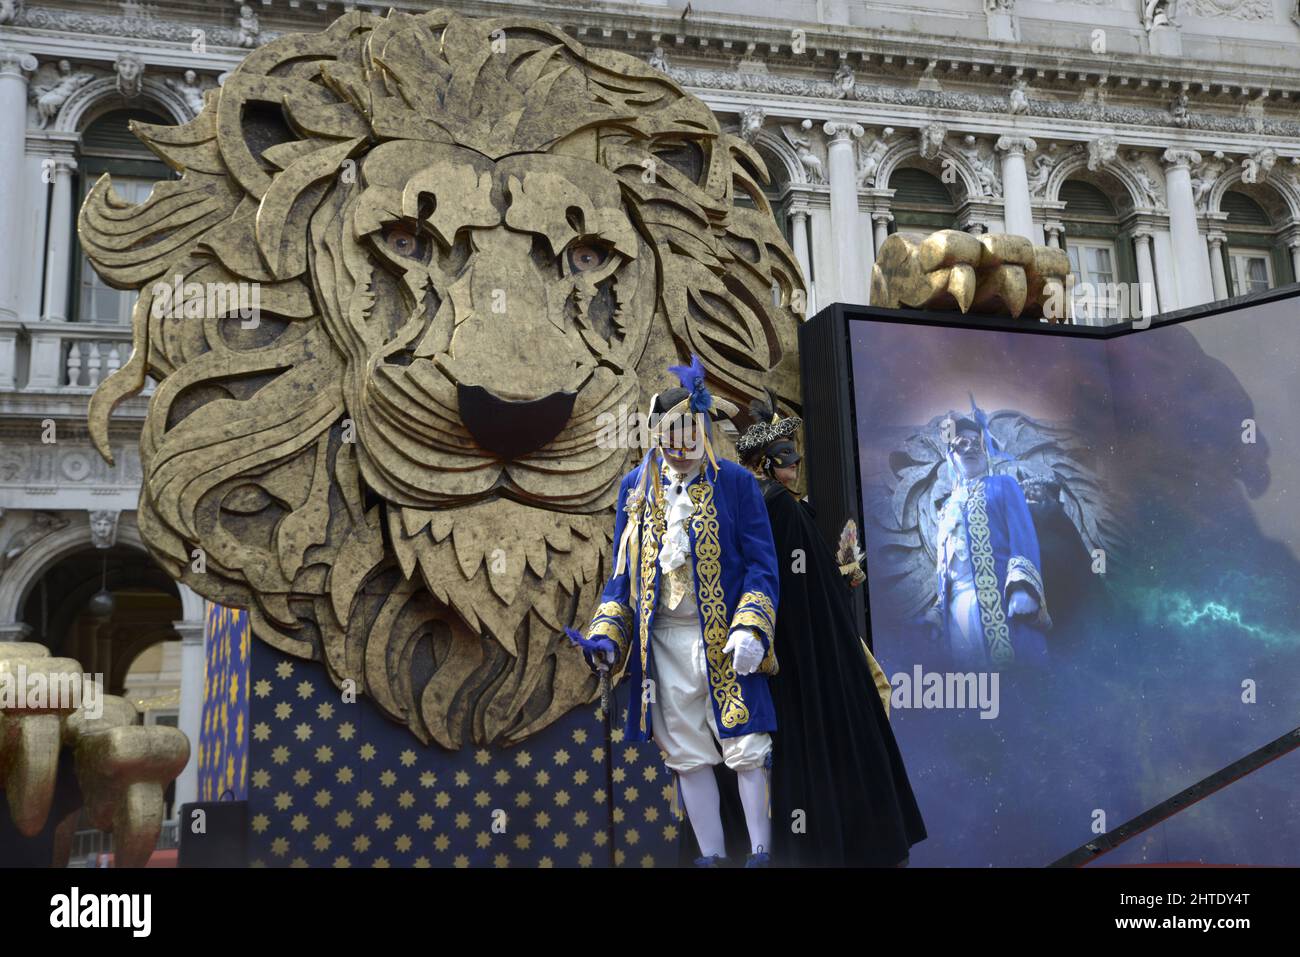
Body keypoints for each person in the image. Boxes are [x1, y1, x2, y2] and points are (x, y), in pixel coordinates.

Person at [568, 356, 780, 867]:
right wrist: (607, 637)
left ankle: (760, 852)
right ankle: (711, 857)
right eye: (671, 442)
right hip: (661, 641)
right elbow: (622, 579)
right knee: (685, 755)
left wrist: (752, 625)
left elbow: (762, 565)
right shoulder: (634, 491)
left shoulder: (735, 484)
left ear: (703, 433)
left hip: (724, 639)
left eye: (690, 440)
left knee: (746, 744)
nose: (681, 453)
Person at [735, 391, 926, 867]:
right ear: (762, 462)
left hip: (792, 655)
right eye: (784, 458)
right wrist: (836, 581)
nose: (794, 466)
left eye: (795, 456)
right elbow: (797, 586)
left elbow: (802, 581)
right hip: (813, 659)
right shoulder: (781, 506)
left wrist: (837, 575)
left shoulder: (766, 505)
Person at [927, 400, 1050, 670]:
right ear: (951, 454)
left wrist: (1021, 588)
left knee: (1013, 684)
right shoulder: (946, 507)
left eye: (976, 442)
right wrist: (938, 610)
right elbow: (946, 569)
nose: (971, 447)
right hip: (956, 613)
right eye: (962, 443)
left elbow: (1023, 536)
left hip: (1001, 601)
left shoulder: (1003, 486)